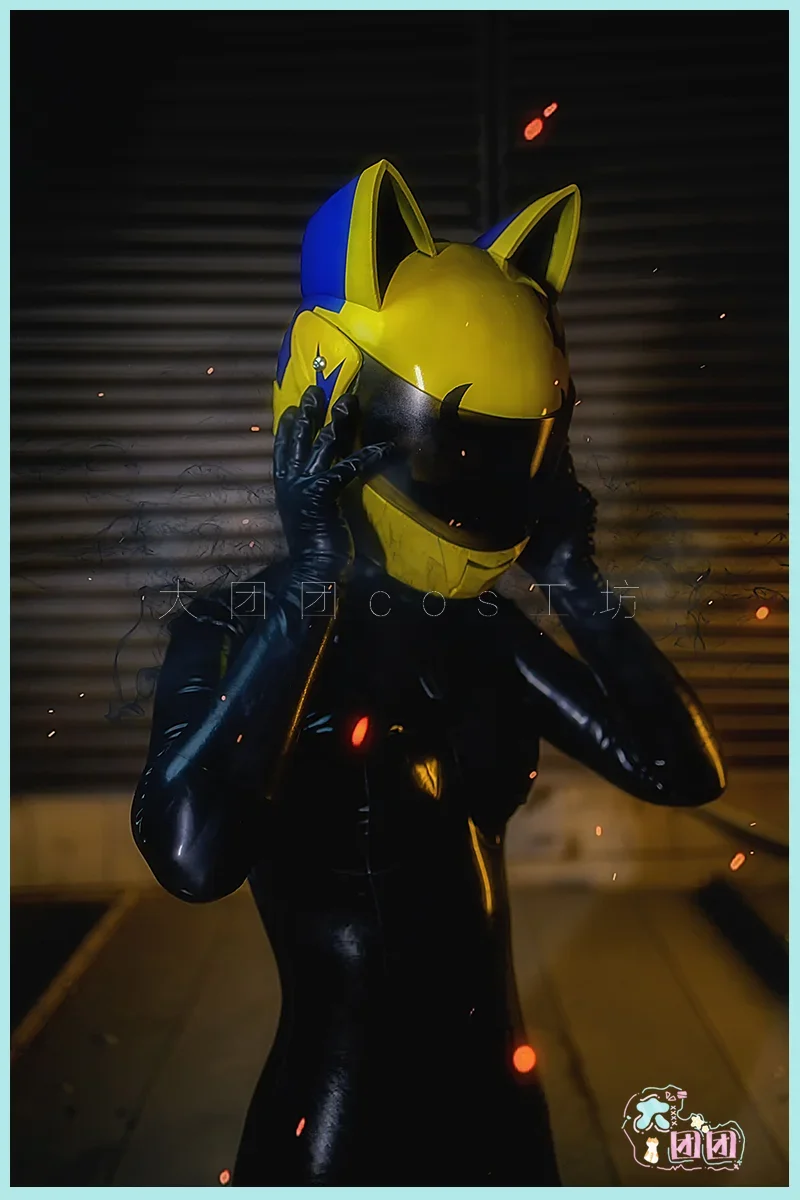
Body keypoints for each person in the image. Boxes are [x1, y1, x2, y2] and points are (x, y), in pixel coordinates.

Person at [132, 161, 726, 1185]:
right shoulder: (231, 629)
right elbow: (192, 855)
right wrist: (312, 582)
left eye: (517, 454)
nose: (485, 488)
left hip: (500, 1100)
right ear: (327, 419)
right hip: (339, 1116)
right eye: (458, 449)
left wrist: (576, 580)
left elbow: (680, 771)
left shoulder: (475, 627)